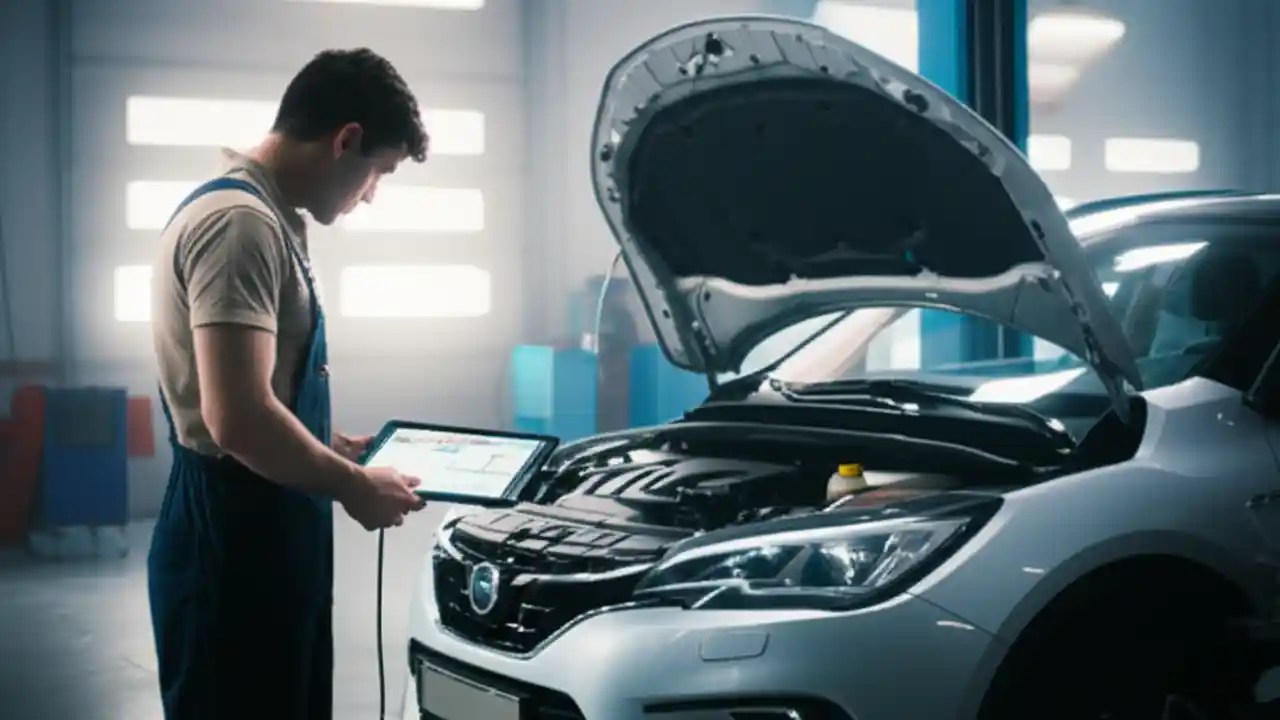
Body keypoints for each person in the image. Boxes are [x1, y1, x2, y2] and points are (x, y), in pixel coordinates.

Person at [147, 48, 429, 719]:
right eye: (377, 174)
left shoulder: (269, 216)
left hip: (263, 525)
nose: (371, 196)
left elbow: (248, 388)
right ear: (347, 140)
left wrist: (326, 446)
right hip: (233, 537)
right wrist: (351, 485)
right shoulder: (239, 225)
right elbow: (238, 419)